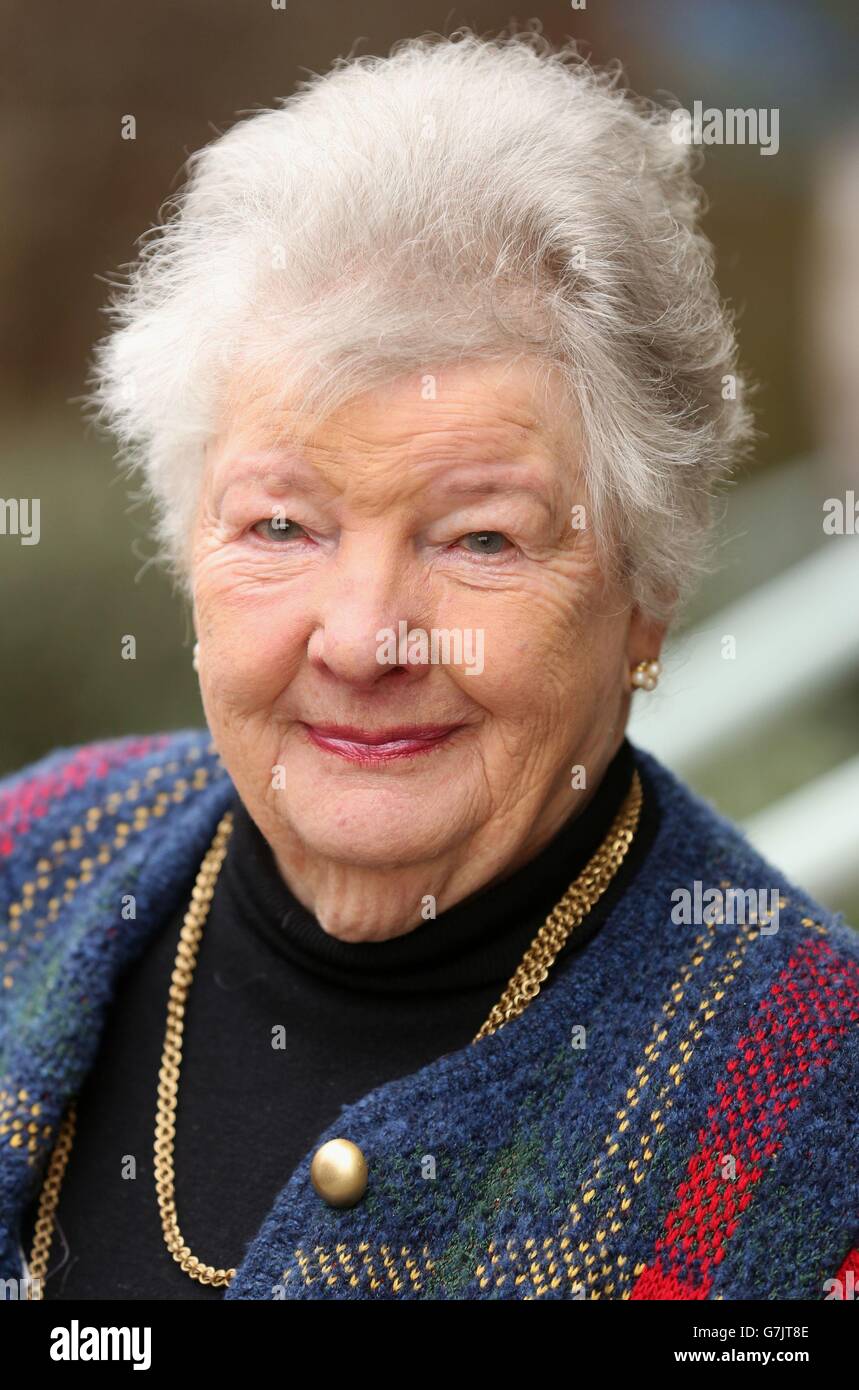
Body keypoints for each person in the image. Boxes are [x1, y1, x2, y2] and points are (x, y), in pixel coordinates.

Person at [1, 29, 856, 1302]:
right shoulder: (29, 852)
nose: (361, 638)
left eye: (479, 537)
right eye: (280, 524)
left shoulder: (806, 1105)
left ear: (647, 594)